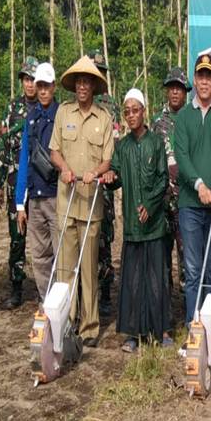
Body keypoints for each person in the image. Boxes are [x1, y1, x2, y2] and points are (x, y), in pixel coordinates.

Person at [49, 55, 115, 348]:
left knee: (88, 270)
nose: (83, 87)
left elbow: (107, 160)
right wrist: (63, 168)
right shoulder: (63, 113)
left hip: (90, 206)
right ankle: (66, 321)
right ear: (74, 86)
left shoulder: (104, 118)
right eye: (79, 82)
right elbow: (54, 151)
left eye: (88, 82)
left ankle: (89, 327)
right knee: (65, 270)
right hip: (66, 203)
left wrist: (95, 172)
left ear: (94, 86)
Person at [103, 88, 170, 352]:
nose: (131, 115)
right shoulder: (123, 146)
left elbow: (163, 179)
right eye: (127, 111)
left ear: (144, 111)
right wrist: (110, 177)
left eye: (135, 110)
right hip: (132, 225)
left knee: (157, 279)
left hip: (153, 226)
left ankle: (162, 330)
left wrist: (151, 206)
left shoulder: (156, 142)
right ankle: (133, 334)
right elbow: (116, 176)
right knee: (132, 280)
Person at [174, 53, 211, 327]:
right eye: (200, 76)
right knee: (193, 269)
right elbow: (182, 156)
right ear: (195, 80)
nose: (205, 81)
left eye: (209, 76)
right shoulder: (184, 117)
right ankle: (193, 325)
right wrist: (198, 185)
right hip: (189, 204)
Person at [0, 56, 39, 308]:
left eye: (34, 79)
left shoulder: (46, 107)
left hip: (41, 183)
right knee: (17, 238)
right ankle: (16, 287)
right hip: (15, 182)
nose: (30, 84)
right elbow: (2, 149)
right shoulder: (12, 110)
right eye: (26, 79)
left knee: (45, 236)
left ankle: (48, 286)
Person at [15, 63, 59, 300]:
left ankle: (64, 307)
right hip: (35, 198)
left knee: (61, 254)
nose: (42, 90)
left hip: (57, 197)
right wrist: (20, 204)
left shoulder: (62, 115)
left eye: (46, 86)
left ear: (54, 87)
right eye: (39, 85)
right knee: (40, 256)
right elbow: (24, 160)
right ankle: (47, 300)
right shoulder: (30, 119)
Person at [90, 51, 121, 321]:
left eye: (101, 69)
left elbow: (117, 144)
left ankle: (107, 292)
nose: (98, 72)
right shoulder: (78, 101)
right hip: (83, 182)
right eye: (94, 68)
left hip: (104, 183)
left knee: (105, 237)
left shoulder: (111, 105)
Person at [152, 67, 189, 294]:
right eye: (172, 88)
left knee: (187, 256)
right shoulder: (158, 122)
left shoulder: (193, 118)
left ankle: (188, 309)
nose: (175, 93)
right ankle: (164, 310)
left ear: (185, 92)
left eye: (179, 88)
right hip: (163, 200)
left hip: (186, 199)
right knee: (162, 256)